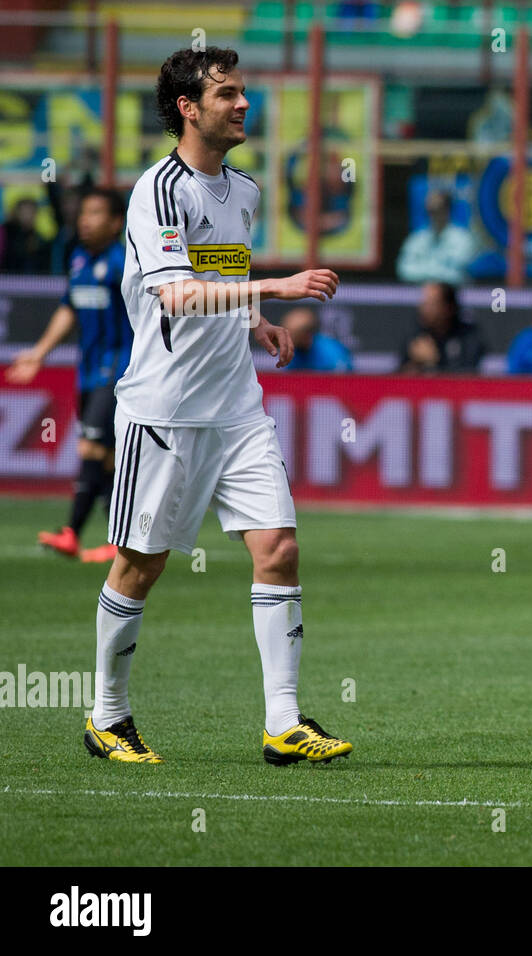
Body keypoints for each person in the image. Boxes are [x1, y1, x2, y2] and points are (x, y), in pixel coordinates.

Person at [84, 45, 352, 766]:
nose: (243, 104)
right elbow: (174, 292)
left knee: (281, 547)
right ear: (188, 108)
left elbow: (216, 274)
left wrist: (250, 322)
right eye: (228, 93)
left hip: (236, 406)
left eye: (243, 92)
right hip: (165, 411)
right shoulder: (159, 191)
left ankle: (284, 723)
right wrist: (277, 291)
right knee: (140, 564)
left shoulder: (244, 191)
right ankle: (108, 716)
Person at [5, 187, 132, 563]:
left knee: (90, 448)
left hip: (119, 369)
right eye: (84, 213)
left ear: (116, 224)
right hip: (89, 371)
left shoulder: (122, 265)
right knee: (106, 457)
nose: (85, 220)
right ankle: (117, 538)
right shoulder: (78, 260)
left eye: (96, 213)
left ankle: (71, 532)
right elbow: (69, 308)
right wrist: (39, 354)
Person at [399, 281, 483, 373]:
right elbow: (398, 378)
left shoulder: (468, 336)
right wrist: (415, 363)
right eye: (424, 304)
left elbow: (468, 377)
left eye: (431, 305)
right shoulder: (416, 336)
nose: (424, 309)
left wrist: (433, 362)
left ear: (448, 308)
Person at [396, 188, 476, 285]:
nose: (433, 215)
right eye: (430, 211)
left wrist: (425, 271)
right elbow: (403, 269)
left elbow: (458, 274)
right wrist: (435, 274)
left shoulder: (463, 239)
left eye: (438, 209)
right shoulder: (416, 239)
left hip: (452, 295)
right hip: (420, 294)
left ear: (447, 210)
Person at [280, 306, 353, 372]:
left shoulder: (331, 352)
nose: (290, 339)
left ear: (307, 334)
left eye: (295, 334)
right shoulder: (292, 353)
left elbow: (343, 381)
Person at [1, 197, 53, 274]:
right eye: (23, 212)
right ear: (17, 214)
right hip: (9, 280)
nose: (27, 216)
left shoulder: (42, 242)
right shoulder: (8, 237)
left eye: (30, 212)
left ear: (36, 214)